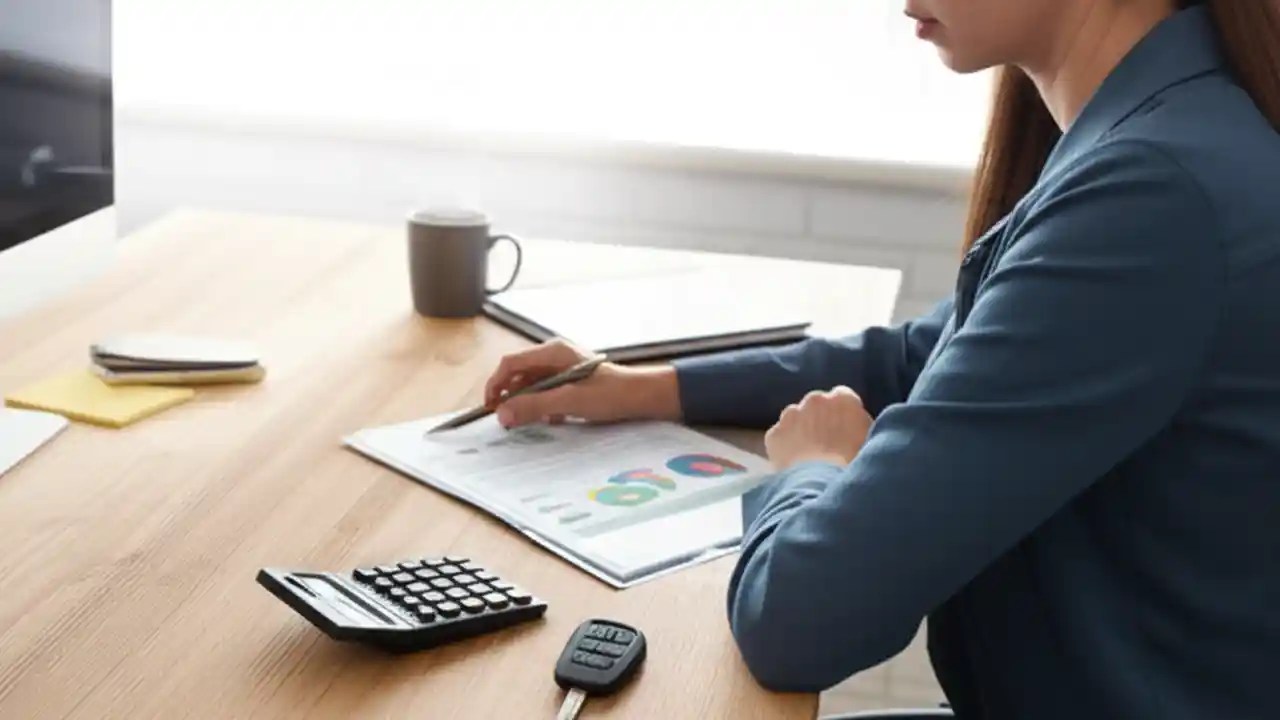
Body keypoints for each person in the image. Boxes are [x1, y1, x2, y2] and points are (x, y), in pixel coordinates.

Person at [482, 1, 1280, 717]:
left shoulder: (1152, 199)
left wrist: (811, 468)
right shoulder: (1168, 131)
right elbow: (924, 356)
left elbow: (798, 620)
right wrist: (646, 389)